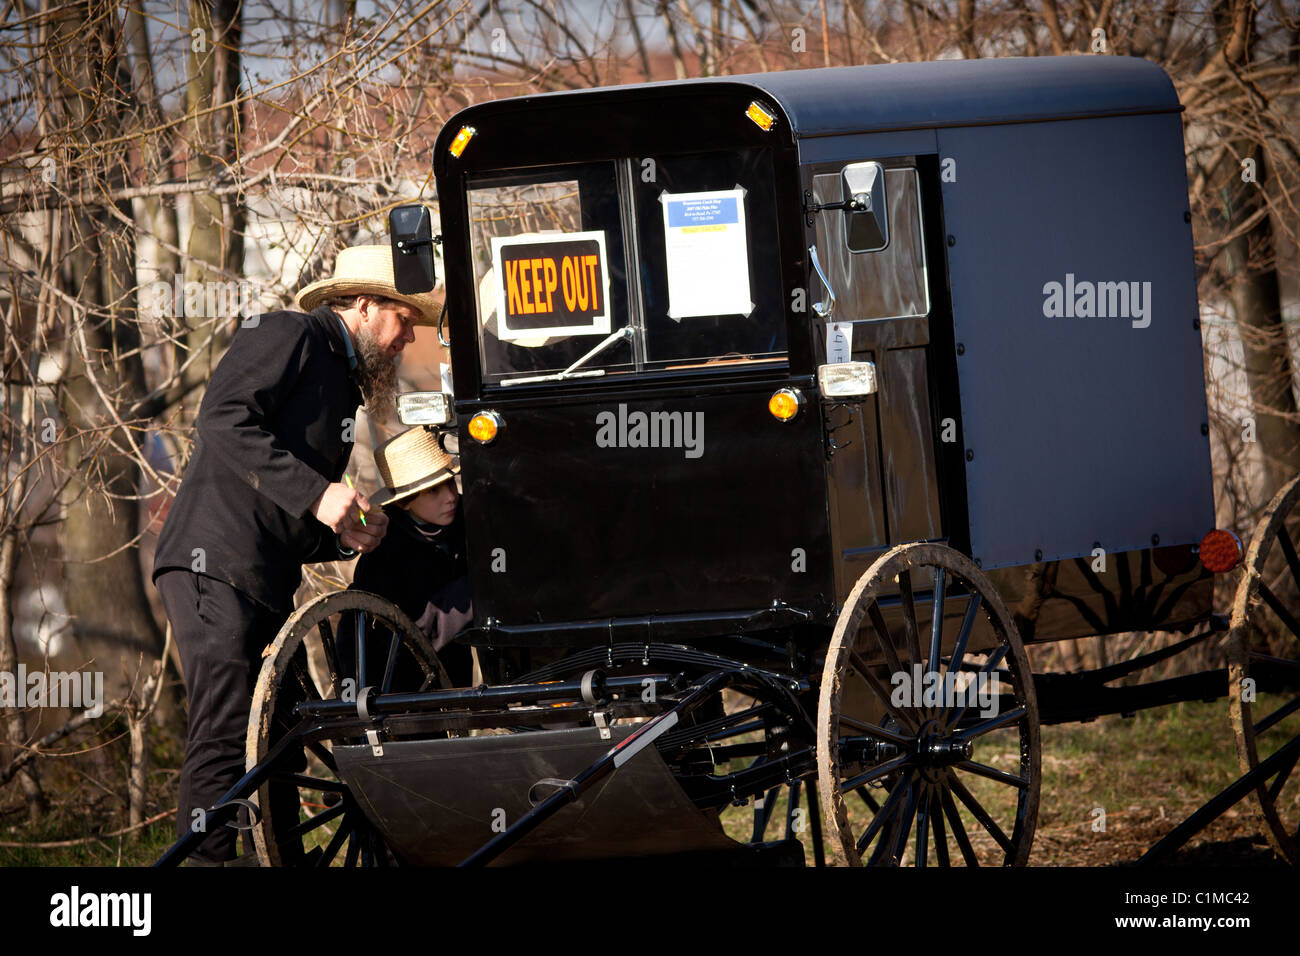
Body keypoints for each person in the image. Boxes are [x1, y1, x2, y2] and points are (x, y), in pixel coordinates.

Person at [152, 245, 439, 864]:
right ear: (363, 305)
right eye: (403, 317)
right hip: (212, 565)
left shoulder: (344, 379)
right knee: (228, 734)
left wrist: (342, 531)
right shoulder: (291, 333)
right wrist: (319, 493)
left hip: (260, 578)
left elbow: (290, 507)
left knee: (276, 739)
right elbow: (223, 419)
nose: (408, 335)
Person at [351, 426, 473, 688]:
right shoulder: (386, 553)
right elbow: (415, 631)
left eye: (451, 483)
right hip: (398, 686)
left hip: (453, 680)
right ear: (404, 502)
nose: (451, 497)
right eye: (434, 491)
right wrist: (477, 589)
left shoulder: (465, 520)